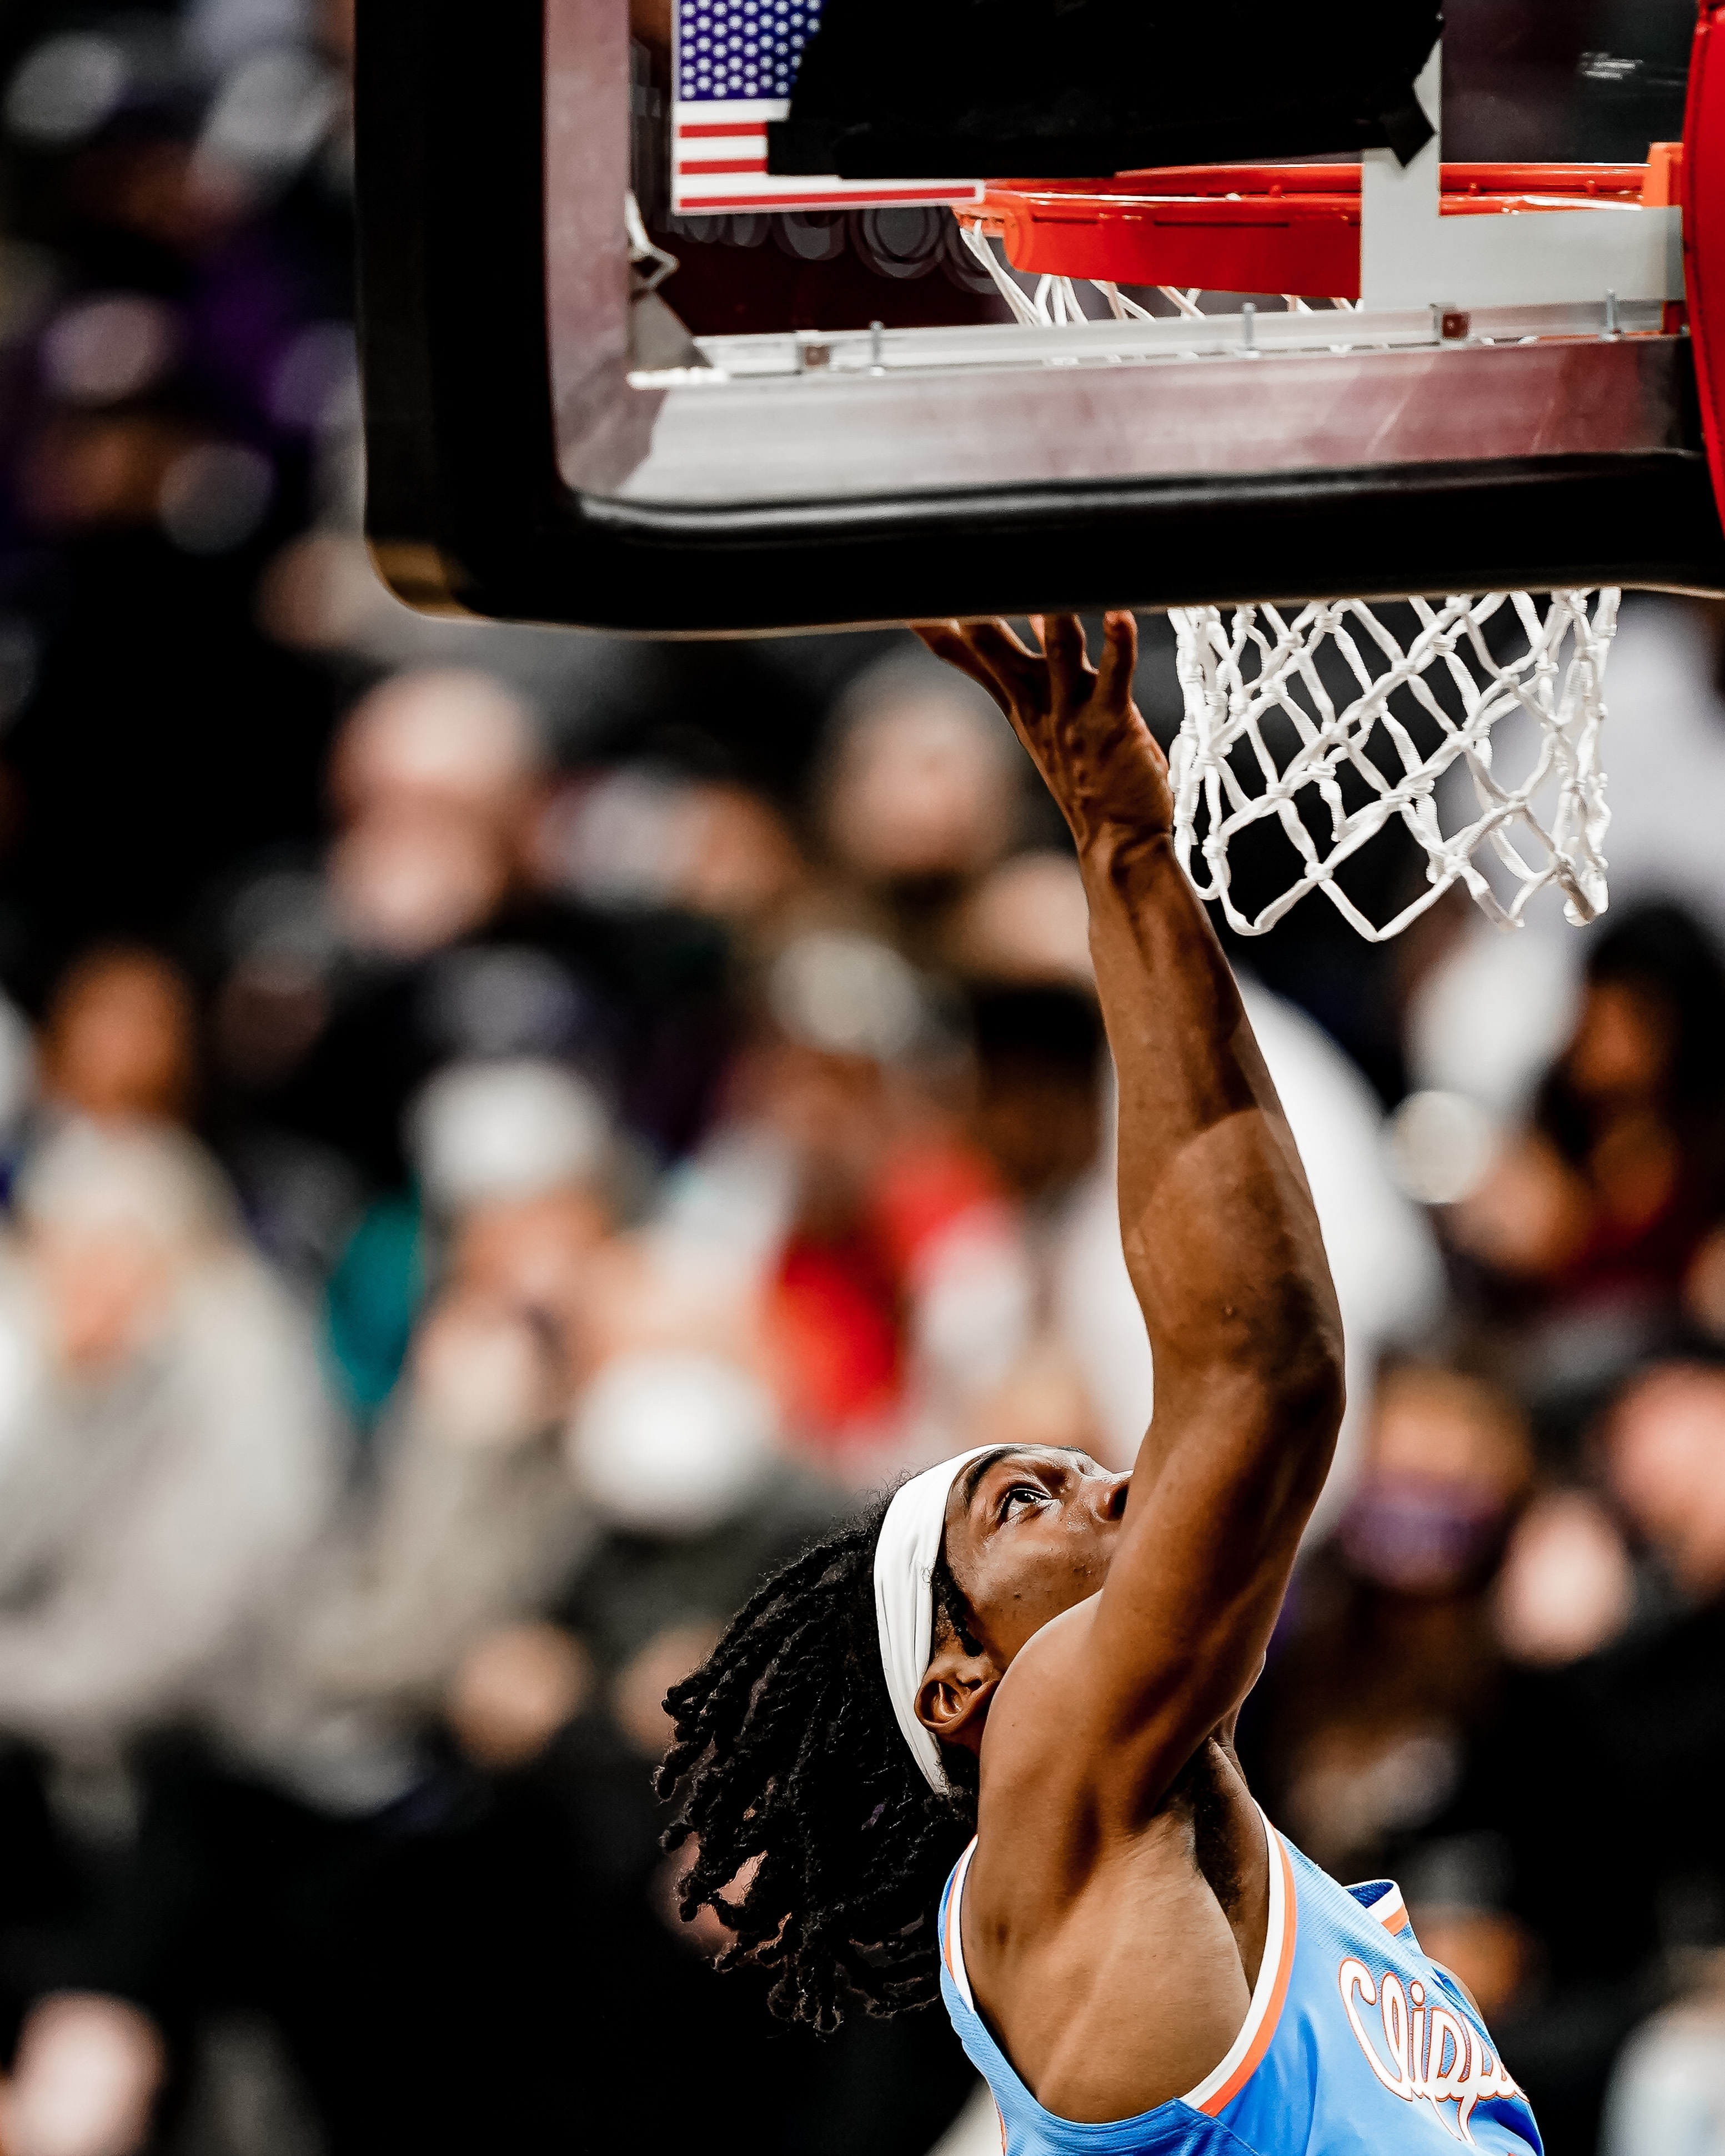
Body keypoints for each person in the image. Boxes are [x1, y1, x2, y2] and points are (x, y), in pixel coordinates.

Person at [659, 613, 1542, 2154]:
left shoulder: (1212, 1866)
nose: (1115, 1478)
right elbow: (1258, 1371)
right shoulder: (1054, 1776)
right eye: (1027, 1499)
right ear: (961, 1681)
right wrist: (1126, 851)